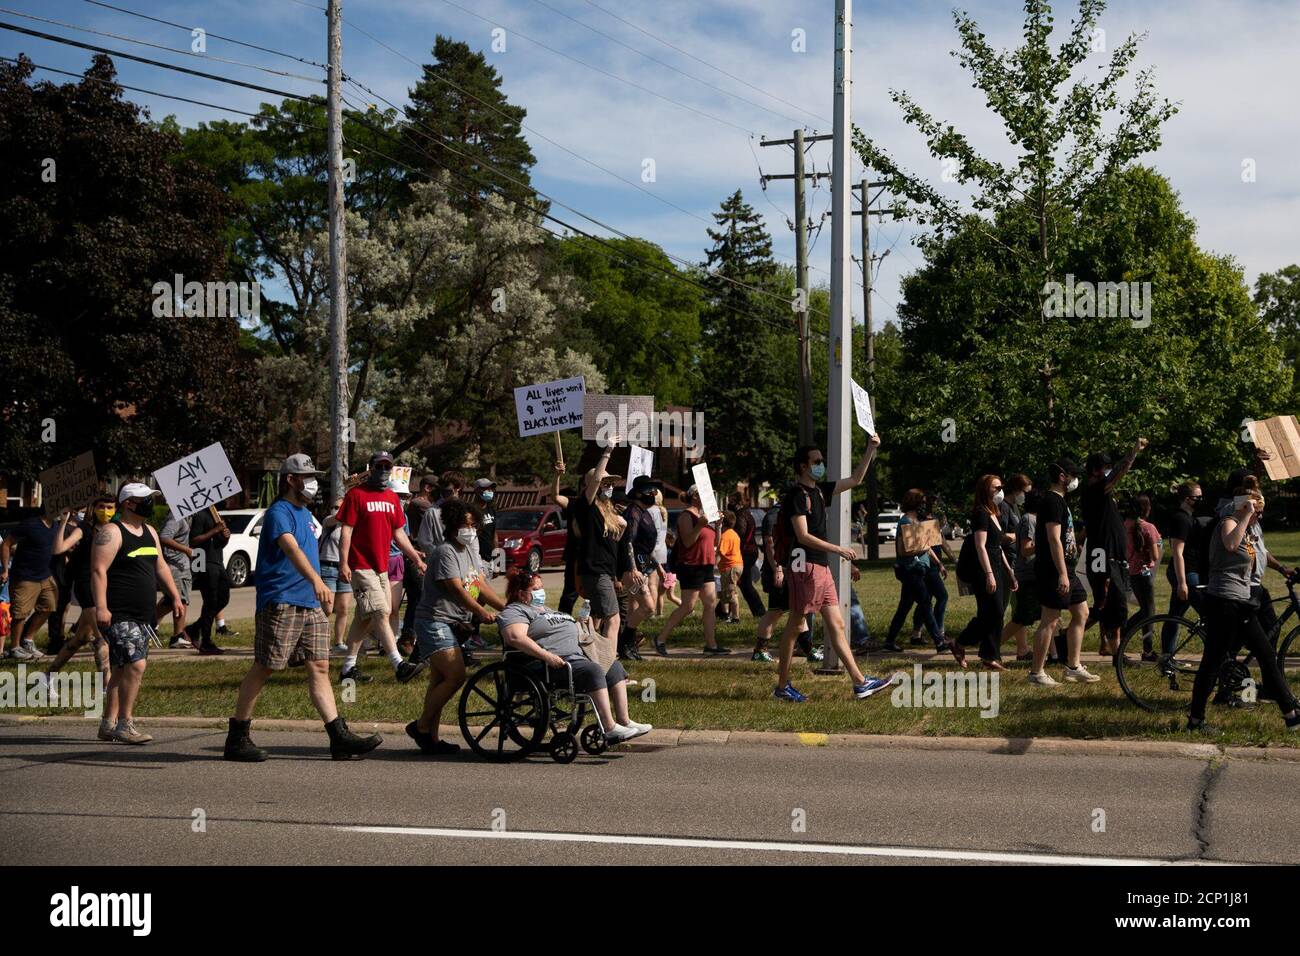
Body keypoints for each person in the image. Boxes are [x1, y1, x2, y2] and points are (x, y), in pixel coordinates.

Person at [225, 455, 382, 761]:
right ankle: (237, 737)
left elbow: (321, 537)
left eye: (314, 475)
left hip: (309, 601)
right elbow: (291, 548)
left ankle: (338, 736)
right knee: (266, 665)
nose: (312, 481)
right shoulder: (278, 512)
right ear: (290, 480)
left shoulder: (307, 514)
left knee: (320, 666)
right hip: (281, 599)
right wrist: (318, 581)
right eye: (307, 476)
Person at [772, 438, 894, 702]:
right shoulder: (797, 495)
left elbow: (855, 480)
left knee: (837, 624)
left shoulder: (819, 491)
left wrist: (871, 448)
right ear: (803, 466)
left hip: (821, 567)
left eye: (821, 461)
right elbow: (802, 536)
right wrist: (838, 549)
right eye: (816, 462)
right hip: (805, 566)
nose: (821, 465)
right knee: (795, 626)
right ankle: (782, 687)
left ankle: (860, 683)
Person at [1187, 488, 1299, 733]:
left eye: (1259, 513)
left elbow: (1252, 559)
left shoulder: (1246, 531)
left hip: (1241, 603)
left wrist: (1281, 570)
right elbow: (1229, 545)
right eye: (1256, 512)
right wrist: (1246, 516)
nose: (1258, 517)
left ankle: (1291, 715)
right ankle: (1195, 721)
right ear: (1244, 507)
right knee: (1212, 662)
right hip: (1224, 602)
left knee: (1266, 655)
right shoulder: (1228, 523)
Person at [497, 568, 651, 744]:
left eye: (542, 587)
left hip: (575, 657)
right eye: (536, 589)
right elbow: (515, 637)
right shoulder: (514, 611)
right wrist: (547, 656)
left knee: (613, 666)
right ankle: (609, 727)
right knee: (592, 670)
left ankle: (624, 721)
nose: (541, 592)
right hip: (546, 665)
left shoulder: (545, 610)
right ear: (522, 594)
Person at [406, 497, 505, 755]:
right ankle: (421, 726)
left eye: (473, 526)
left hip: (452, 623)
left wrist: (506, 607)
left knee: (439, 679)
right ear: (451, 526)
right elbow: (457, 589)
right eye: (465, 525)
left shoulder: (467, 552)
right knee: (456, 675)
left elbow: (479, 585)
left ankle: (431, 738)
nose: (470, 530)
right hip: (433, 621)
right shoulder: (445, 551)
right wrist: (481, 612)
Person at [91, 484, 183, 744]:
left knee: (121, 669)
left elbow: (160, 566)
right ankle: (125, 724)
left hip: (143, 614)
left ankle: (107, 724)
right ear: (129, 503)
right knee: (136, 664)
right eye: (145, 499)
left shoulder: (150, 532)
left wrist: (175, 596)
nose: (150, 503)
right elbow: (98, 570)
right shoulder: (112, 532)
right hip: (118, 612)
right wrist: (101, 607)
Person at [337, 451, 427, 685]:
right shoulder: (356, 495)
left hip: (381, 567)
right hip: (360, 565)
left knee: (365, 617)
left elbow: (399, 533)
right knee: (380, 612)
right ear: (372, 467)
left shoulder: (391, 498)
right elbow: (346, 531)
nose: (384, 470)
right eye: (380, 466)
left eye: (388, 466)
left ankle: (348, 668)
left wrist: (415, 557)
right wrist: (344, 562)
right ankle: (399, 664)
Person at [1027, 459, 1098, 685]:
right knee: (1050, 618)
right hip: (1054, 569)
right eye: (1073, 475)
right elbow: (1053, 539)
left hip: (1066, 567)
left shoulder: (1059, 501)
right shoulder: (1052, 501)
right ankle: (1036, 673)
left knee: (1082, 613)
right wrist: (1062, 573)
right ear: (1062, 476)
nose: (1075, 480)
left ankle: (1073, 667)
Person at [34, 498, 114, 698]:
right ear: (93, 508)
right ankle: (107, 687)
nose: (105, 511)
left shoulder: (115, 529)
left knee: (81, 638)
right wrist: (63, 521)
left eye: (110, 507)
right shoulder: (84, 529)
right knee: (102, 638)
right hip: (86, 584)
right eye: (101, 507)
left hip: (105, 585)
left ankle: (48, 676)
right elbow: (59, 548)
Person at [1080, 437, 1148, 656]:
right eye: (1103, 469)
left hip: (1113, 555)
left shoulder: (1103, 494)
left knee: (1111, 604)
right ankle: (1068, 636)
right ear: (1093, 472)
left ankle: (1109, 648)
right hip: (1102, 554)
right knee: (1108, 600)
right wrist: (1133, 452)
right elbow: (1119, 473)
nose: (1107, 472)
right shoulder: (1093, 490)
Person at [654, 485, 727, 656]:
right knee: (688, 606)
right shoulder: (686, 516)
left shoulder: (705, 517)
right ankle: (660, 639)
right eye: (704, 493)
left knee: (710, 603)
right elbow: (687, 542)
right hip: (691, 565)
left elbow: (716, 543)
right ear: (695, 496)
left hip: (706, 565)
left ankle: (711, 645)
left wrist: (718, 526)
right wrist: (700, 525)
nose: (709, 497)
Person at [954, 475, 1016, 670]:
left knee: (994, 613)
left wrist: (1009, 572)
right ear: (985, 490)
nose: (1000, 491)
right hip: (983, 569)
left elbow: (997, 547)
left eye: (1001, 487)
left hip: (997, 566)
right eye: (995, 488)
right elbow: (981, 546)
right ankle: (960, 643)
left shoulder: (995, 513)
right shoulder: (980, 513)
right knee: (994, 611)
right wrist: (989, 573)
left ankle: (989, 656)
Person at [571, 441, 628, 656]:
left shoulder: (609, 511)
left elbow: (612, 547)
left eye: (611, 484)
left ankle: (594, 659)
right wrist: (608, 450)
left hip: (605, 572)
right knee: (613, 619)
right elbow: (595, 480)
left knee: (598, 619)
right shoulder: (585, 507)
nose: (609, 487)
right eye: (605, 483)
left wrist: (621, 527)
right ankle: (610, 666)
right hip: (594, 571)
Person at [883, 489, 945, 652]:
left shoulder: (918, 522)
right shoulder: (906, 522)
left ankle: (889, 641)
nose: (925, 505)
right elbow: (903, 551)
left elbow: (928, 546)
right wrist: (922, 549)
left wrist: (938, 563)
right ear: (915, 503)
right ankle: (939, 641)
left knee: (904, 607)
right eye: (922, 502)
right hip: (910, 570)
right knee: (925, 603)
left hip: (920, 570)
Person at [0, 505, 59, 659]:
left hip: (45, 575)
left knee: (49, 606)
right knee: (20, 614)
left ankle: (27, 640)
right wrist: (5, 569)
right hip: (24, 576)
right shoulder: (30, 524)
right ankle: (15, 647)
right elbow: (6, 544)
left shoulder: (56, 525)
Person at [619, 474, 662, 660]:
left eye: (655, 490)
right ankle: (625, 642)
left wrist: (657, 566)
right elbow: (628, 541)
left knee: (633, 608)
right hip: (631, 569)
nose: (653, 493)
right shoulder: (633, 512)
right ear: (638, 493)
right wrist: (633, 569)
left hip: (643, 566)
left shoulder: (643, 512)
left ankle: (628, 647)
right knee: (648, 607)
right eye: (649, 490)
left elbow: (645, 546)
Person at [182, 501, 232, 655]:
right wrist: (214, 530)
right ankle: (206, 642)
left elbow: (218, 544)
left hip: (217, 561)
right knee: (210, 603)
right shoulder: (200, 515)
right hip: (203, 562)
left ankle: (194, 628)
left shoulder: (217, 516)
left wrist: (225, 537)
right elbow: (194, 540)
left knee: (223, 598)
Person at [1161, 481, 1205, 656]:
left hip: (1189, 572)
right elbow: (1177, 552)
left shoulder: (1188, 517)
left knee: (1175, 615)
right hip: (1186, 573)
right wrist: (1182, 582)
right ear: (1187, 499)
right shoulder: (1181, 519)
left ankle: (1167, 655)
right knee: (1207, 613)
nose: (1201, 500)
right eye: (1198, 497)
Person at [398, 474, 439, 653]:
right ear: (428, 488)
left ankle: (414, 638)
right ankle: (408, 638)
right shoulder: (420, 504)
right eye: (439, 489)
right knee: (419, 597)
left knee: (421, 597)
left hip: (422, 557)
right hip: (415, 557)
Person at [1004, 489, 1041, 661]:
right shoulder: (1029, 520)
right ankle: (991, 648)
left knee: (1046, 616)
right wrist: (1047, 544)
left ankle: (1054, 653)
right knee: (1021, 618)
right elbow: (1026, 550)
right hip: (1028, 576)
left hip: (1034, 575)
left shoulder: (1033, 519)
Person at [1124, 493, 1162, 659]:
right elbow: (1154, 556)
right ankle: (1146, 649)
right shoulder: (1149, 527)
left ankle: (1124, 631)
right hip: (1145, 573)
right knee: (1149, 612)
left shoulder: (1126, 524)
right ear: (1146, 508)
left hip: (1132, 572)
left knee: (1146, 610)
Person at [156, 511, 194, 649]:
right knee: (179, 600)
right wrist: (186, 550)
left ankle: (147, 624)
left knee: (171, 601)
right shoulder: (176, 516)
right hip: (174, 567)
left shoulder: (187, 517)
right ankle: (177, 636)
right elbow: (164, 537)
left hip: (181, 566)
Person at [729, 492, 767, 623]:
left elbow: (741, 533)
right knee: (737, 582)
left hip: (746, 552)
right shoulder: (746, 513)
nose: (729, 502)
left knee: (743, 584)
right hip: (749, 551)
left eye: (731, 499)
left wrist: (729, 531)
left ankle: (760, 612)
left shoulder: (741, 515)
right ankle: (722, 611)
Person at [716, 510, 743, 625]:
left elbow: (721, 551)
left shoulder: (726, 536)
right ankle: (726, 616)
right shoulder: (734, 533)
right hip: (735, 565)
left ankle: (735, 618)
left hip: (730, 567)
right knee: (725, 592)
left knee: (731, 593)